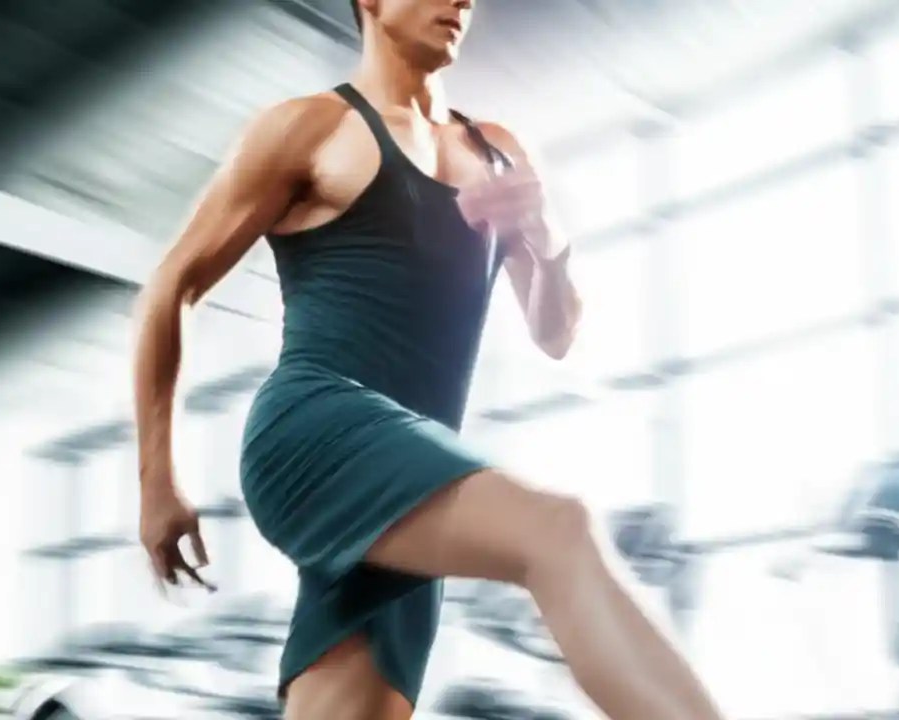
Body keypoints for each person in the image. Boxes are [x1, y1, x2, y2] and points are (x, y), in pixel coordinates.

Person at [132, 1, 727, 718]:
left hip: (415, 467)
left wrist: (547, 241)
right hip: (316, 434)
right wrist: (157, 483)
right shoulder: (308, 128)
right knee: (559, 531)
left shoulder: (497, 150)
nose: (463, 1)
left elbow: (555, 332)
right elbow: (172, 286)